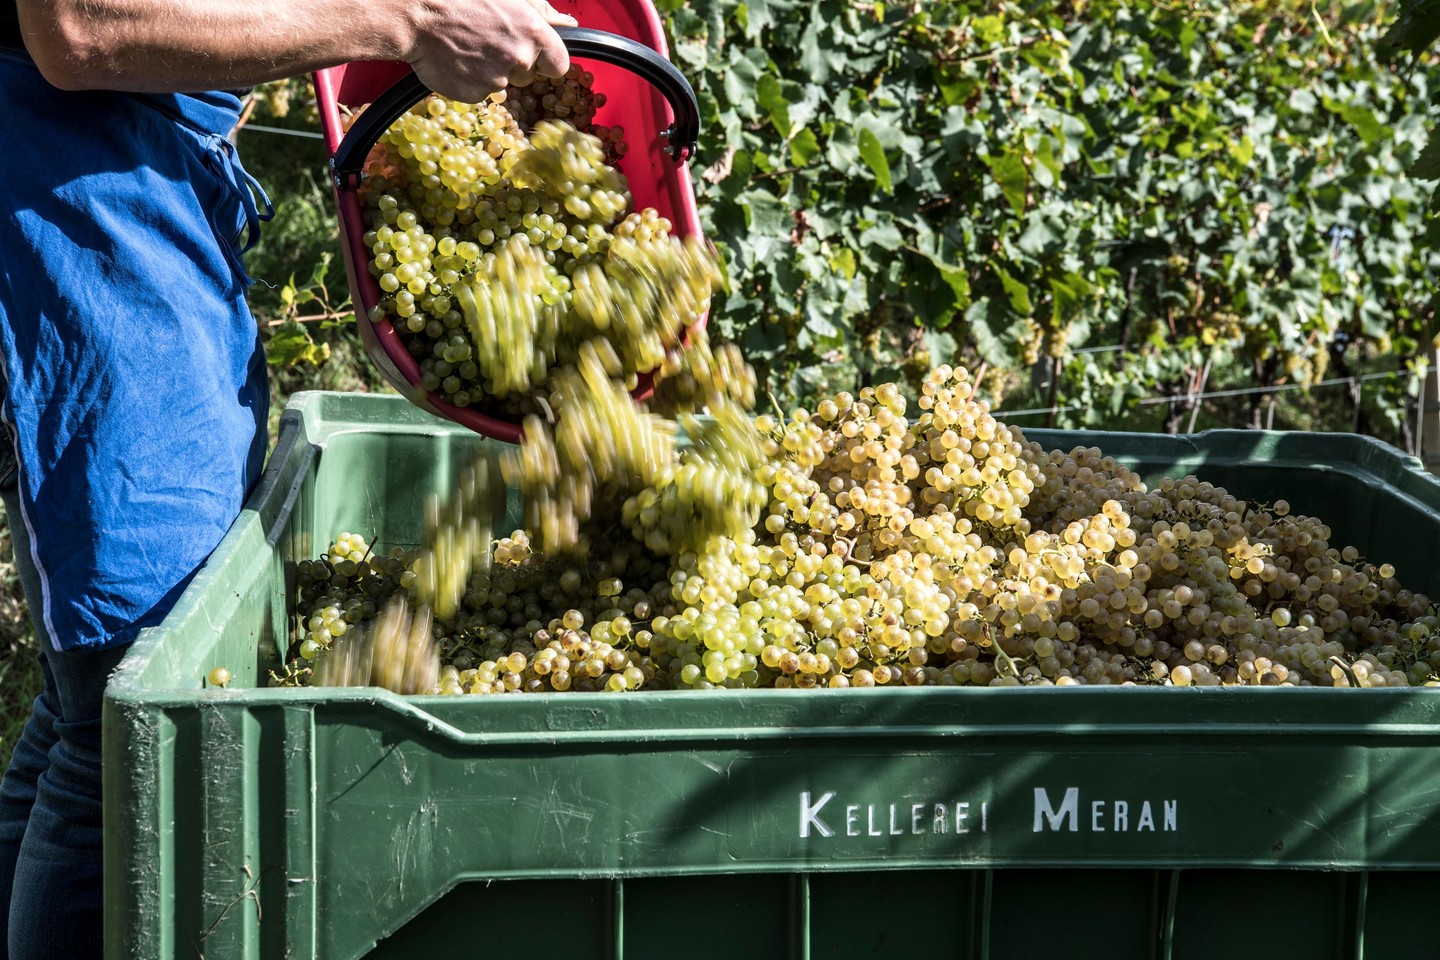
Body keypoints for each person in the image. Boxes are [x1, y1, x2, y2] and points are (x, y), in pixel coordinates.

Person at [0, 2, 575, 957]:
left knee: (93, 709)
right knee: (137, 712)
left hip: (133, 149)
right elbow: (81, 29)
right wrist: (407, 21)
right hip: (72, 160)